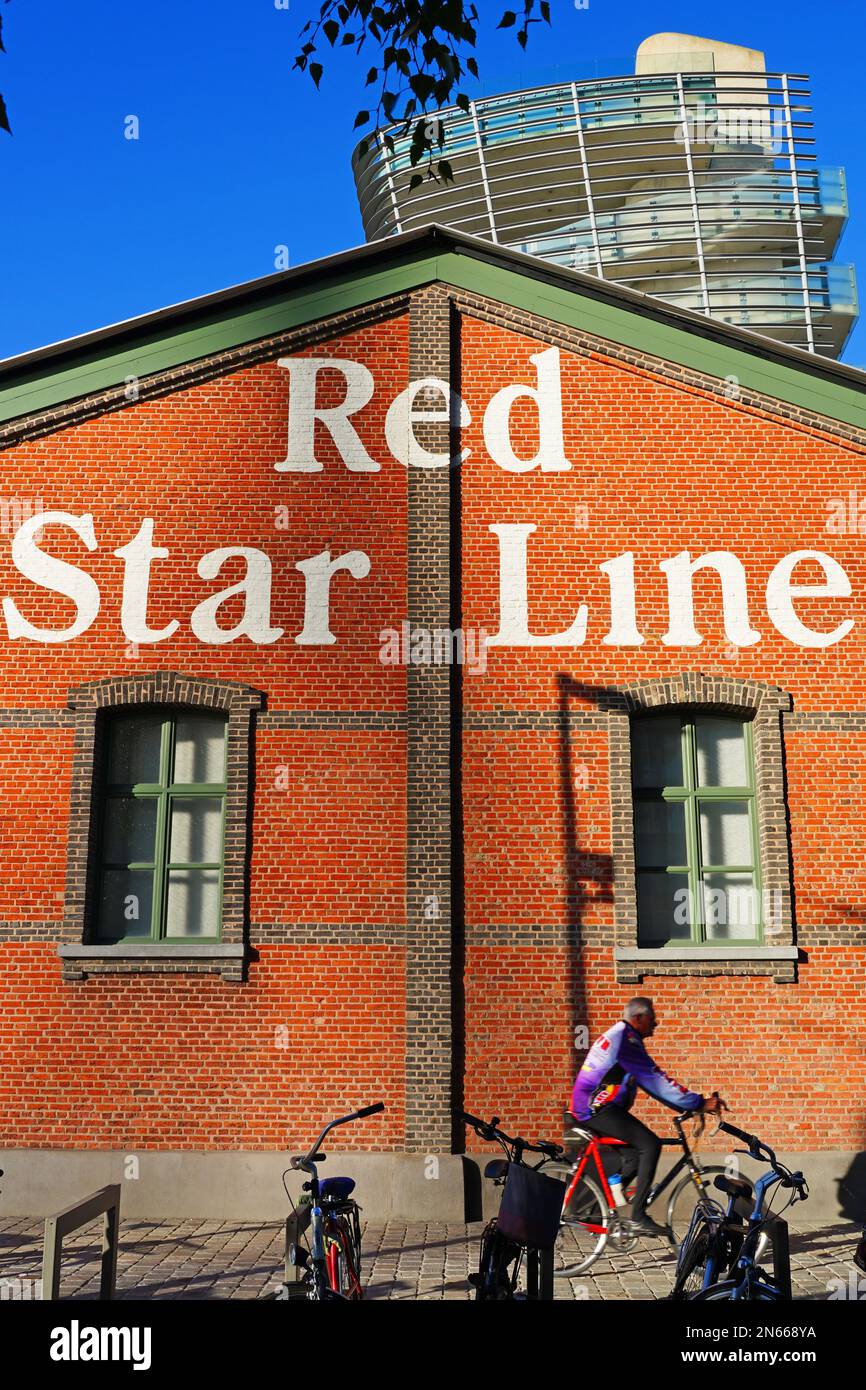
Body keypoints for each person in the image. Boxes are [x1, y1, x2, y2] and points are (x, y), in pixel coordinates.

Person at [569, 996, 725, 1237]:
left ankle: (595, 1209)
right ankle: (639, 1216)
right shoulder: (625, 1040)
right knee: (650, 1144)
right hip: (595, 1108)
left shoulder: (624, 1036)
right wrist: (698, 1102)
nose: (656, 1023)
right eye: (652, 1018)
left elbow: (651, 1085)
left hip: (597, 1106)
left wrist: (689, 1107)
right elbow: (656, 1079)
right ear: (638, 1018)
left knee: (633, 1157)